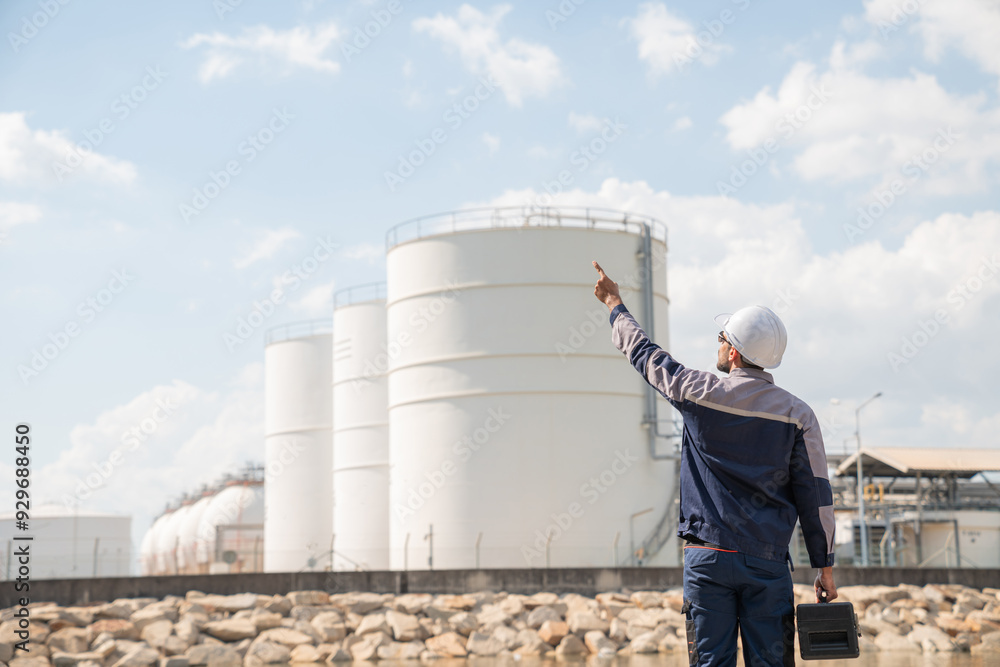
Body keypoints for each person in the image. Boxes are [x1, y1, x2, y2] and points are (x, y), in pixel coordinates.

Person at [592, 261, 836, 667]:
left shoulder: (697, 392)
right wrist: (824, 566)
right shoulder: (799, 415)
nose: (718, 345)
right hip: (767, 562)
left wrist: (615, 304)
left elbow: (644, 354)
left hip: (708, 560)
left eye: (721, 338)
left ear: (733, 351)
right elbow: (816, 496)